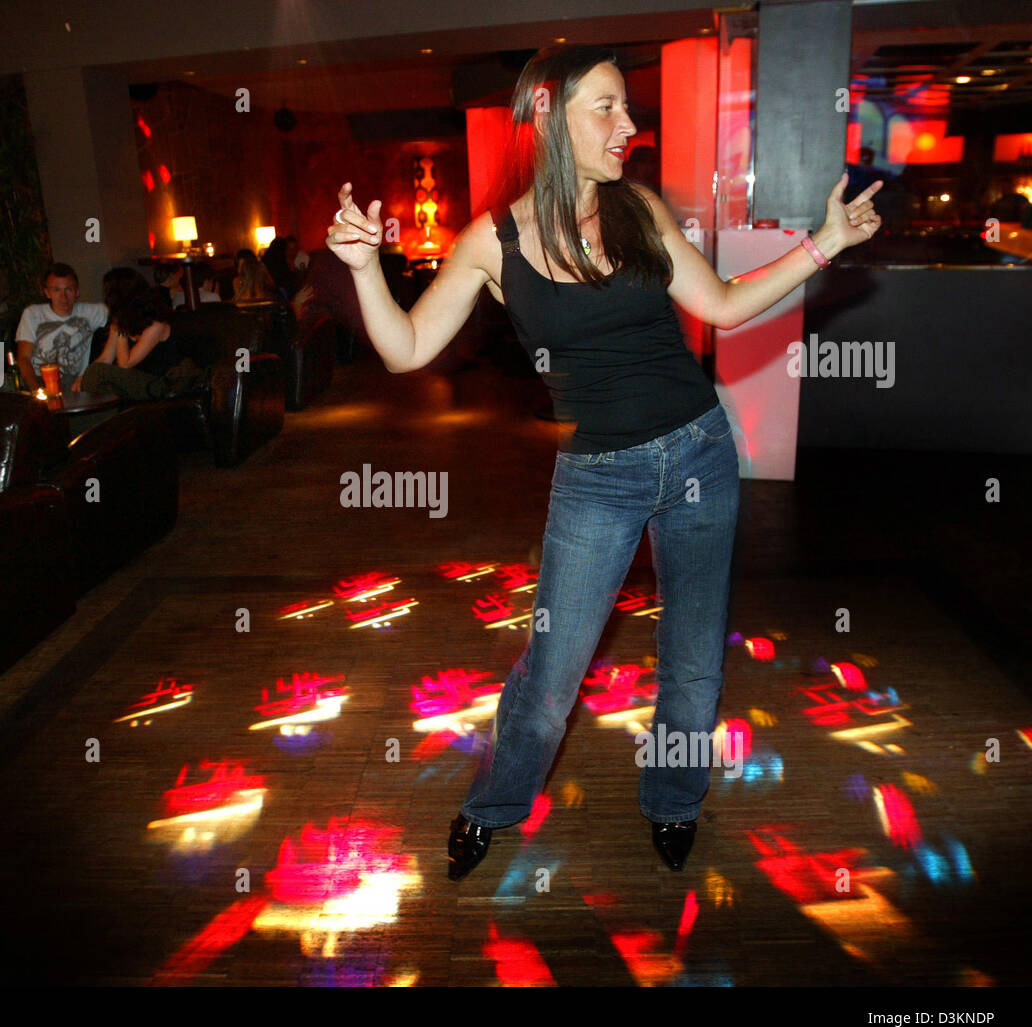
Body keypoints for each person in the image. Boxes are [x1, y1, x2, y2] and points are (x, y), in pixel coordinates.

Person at [326, 44, 883, 880]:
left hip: (699, 451)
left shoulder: (640, 210)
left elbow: (724, 307)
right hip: (600, 476)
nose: (628, 125)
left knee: (693, 667)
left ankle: (673, 800)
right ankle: (494, 805)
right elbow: (406, 349)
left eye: (628, 109)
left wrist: (825, 243)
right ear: (549, 114)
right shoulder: (492, 242)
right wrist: (367, 270)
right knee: (552, 673)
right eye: (608, 108)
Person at [75, 267, 203, 401]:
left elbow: (125, 363)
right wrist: (83, 376)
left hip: (162, 383)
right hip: (138, 383)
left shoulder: (156, 326)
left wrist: (121, 328)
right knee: (95, 373)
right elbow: (105, 358)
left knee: (97, 372)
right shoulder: (119, 325)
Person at [14, 263, 109, 393]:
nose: (63, 297)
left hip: (74, 383)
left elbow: (123, 315)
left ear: (77, 291)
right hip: (40, 379)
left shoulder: (93, 312)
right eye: (56, 290)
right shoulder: (33, 314)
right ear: (47, 292)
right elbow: (24, 358)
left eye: (68, 289)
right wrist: (36, 390)